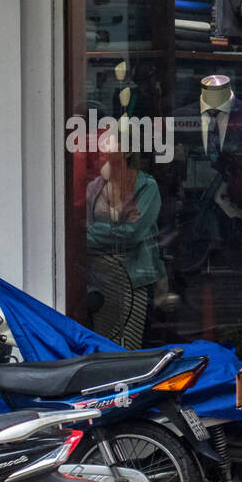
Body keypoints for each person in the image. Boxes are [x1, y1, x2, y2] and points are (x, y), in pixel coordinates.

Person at [85, 131, 163, 349]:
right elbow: (81, 233)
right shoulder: (94, 187)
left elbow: (134, 233)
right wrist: (118, 226)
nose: (102, 153)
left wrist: (95, 234)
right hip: (99, 277)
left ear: (127, 152)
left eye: (109, 147)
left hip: (132, 277)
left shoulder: (147, 186)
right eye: (100, 148)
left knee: (128, 344)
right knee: (103, 343)